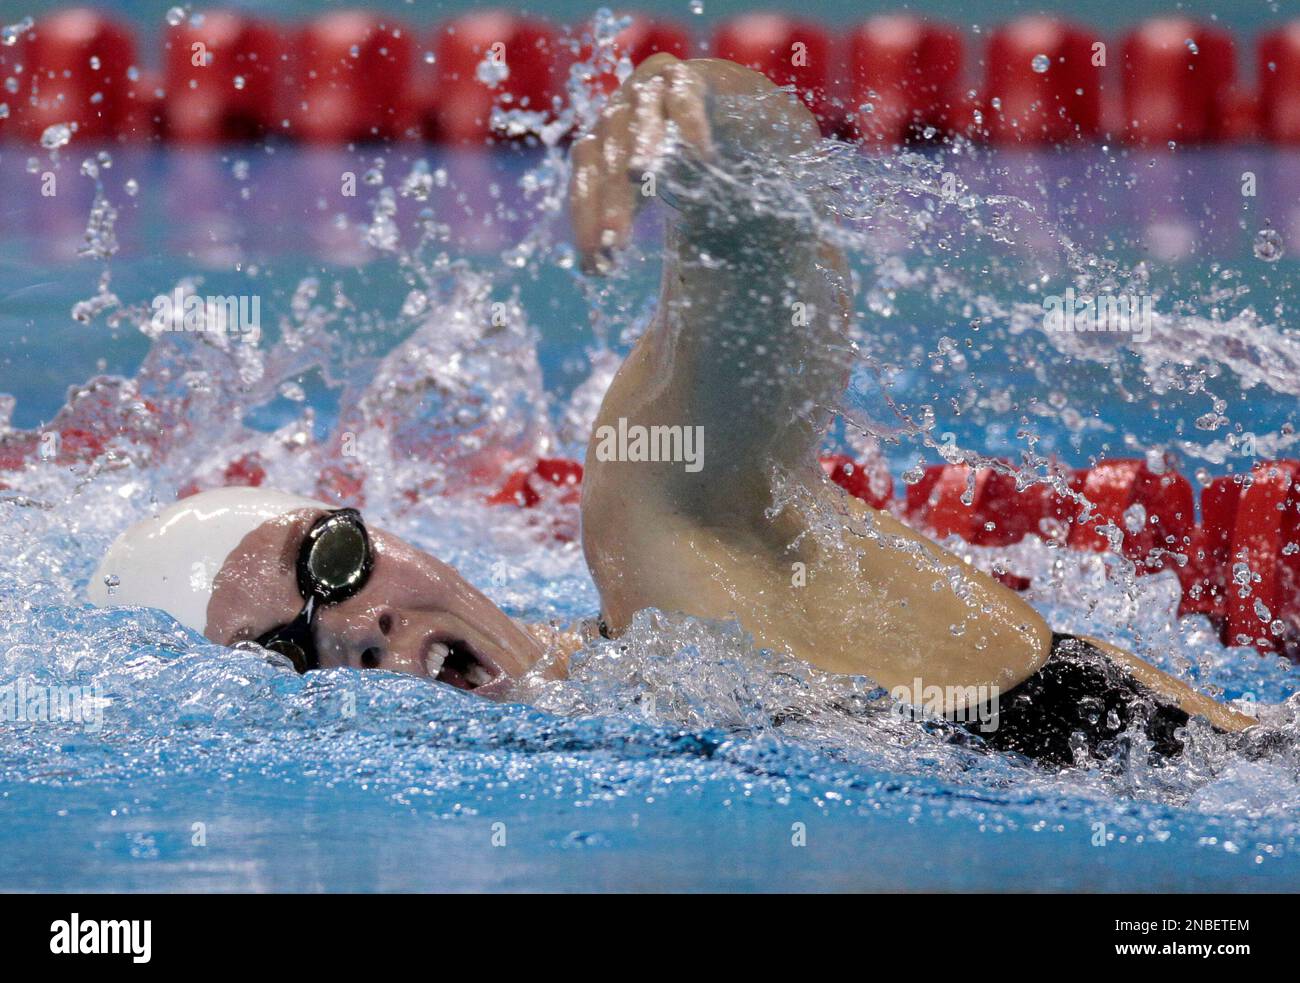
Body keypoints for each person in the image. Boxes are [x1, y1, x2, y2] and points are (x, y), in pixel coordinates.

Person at [87, 55, 1255, 767]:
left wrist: (674, 114)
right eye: (291, 657)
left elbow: (768, 246)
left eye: (332, 560)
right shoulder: (612, 726)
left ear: (386, 527)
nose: (357, 628)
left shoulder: (663, 557)